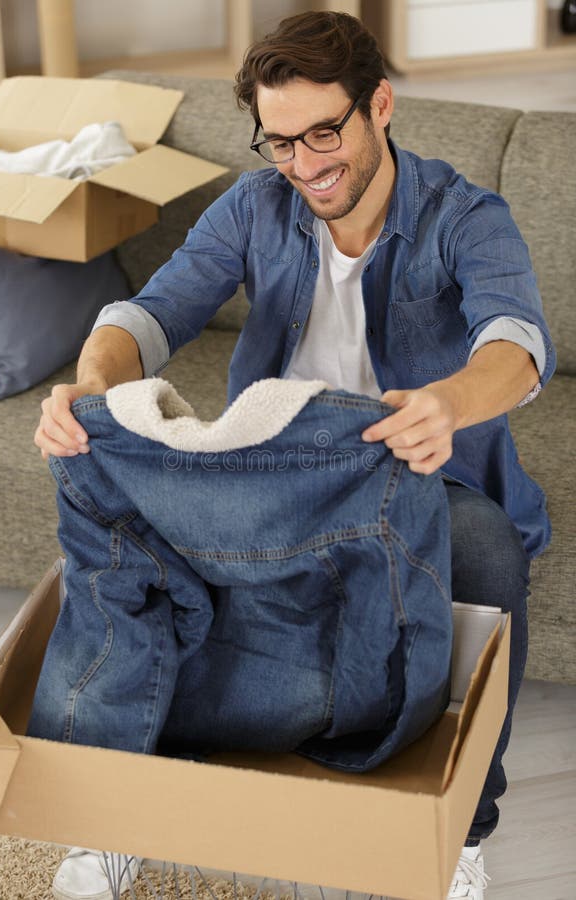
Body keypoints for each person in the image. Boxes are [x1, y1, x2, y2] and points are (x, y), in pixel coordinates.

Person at [34, 11, 554, 900]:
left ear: (379, 105)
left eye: (325, 133)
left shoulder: (465, 214)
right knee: (113, 526)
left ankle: (462, 832)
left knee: (490, 553)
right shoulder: (255, 204)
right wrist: (91, 387)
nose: (307, 165)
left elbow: (518, 341)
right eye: (281, 142)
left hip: (417, 471)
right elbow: (149, 318)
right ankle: (113, 813)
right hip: (278, 472)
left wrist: (449, 403)